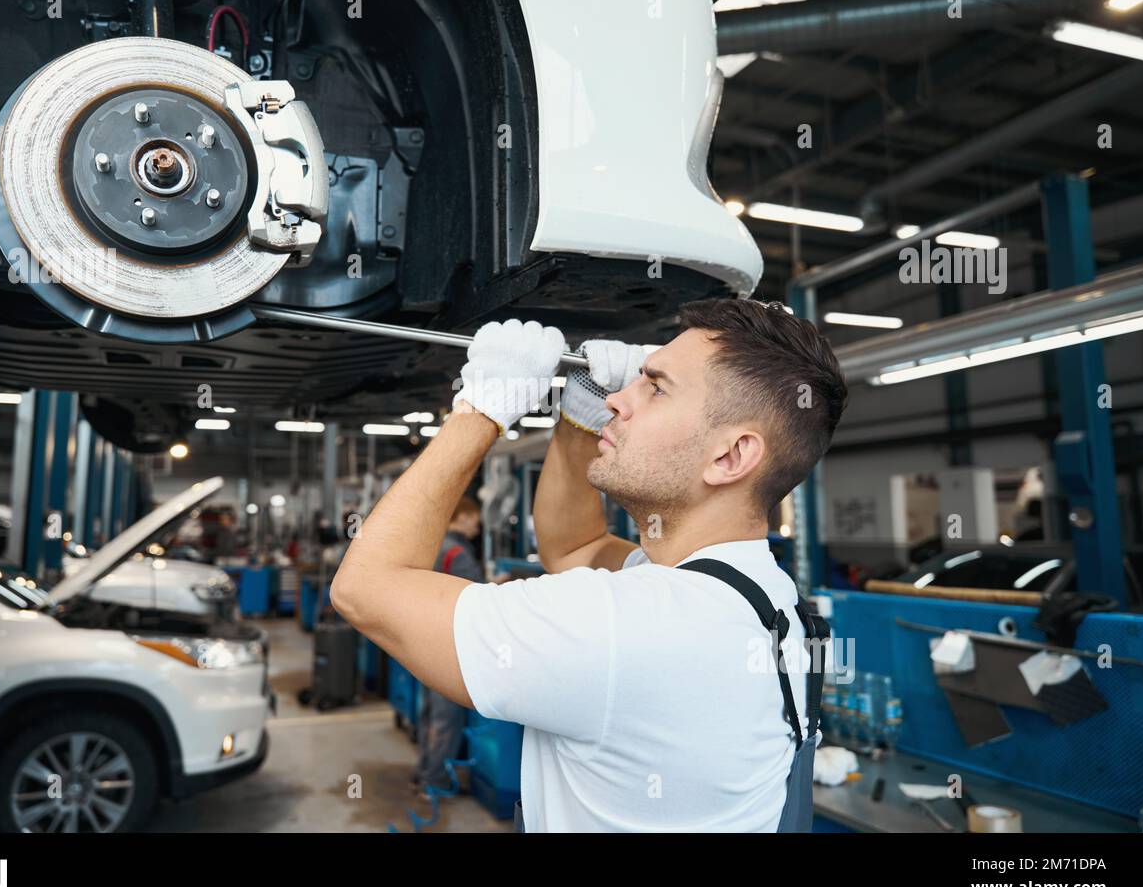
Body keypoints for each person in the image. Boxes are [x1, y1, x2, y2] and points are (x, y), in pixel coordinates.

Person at [331, 299, 847, 831]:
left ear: (730, 457)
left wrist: (480, 409)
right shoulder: (761, 597)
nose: (621, 400)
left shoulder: (631, 627)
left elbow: (365, 587)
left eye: (657, 387)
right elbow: (573, 547)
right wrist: (583, 413)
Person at [412, 496, 484, 798]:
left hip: (425, 641)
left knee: (430, 713)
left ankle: (424, 771)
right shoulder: (459, 553)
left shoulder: (435, 546)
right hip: (452, 647)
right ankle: (436, 782)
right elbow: (479, 603)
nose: (478, 526)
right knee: (446, 717)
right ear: (464, 517)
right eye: (476, 519)